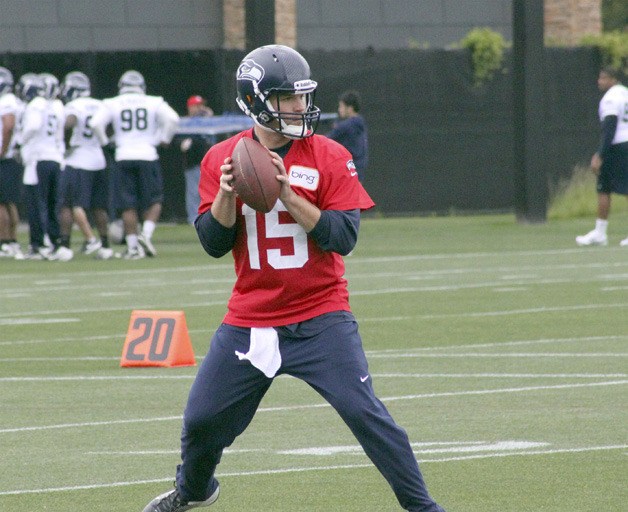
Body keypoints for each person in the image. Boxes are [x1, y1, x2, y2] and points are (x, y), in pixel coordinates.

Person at [142, 45, 446, 512]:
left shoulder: (330, 155)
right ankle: (193, 490)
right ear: (256, 100)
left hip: (321, 314)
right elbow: (213, 243)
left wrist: (286, 194)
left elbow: (343, 237)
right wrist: (227, 194)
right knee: (201, 421)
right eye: (287, 97)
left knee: (366, 415)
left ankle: (424, 508)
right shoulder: (223, 158)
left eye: (303, 96)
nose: (300, 106)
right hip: (252, 317)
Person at [90, 70, 179, 259]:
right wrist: (163, 139)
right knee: (154, 200)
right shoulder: (153, 101)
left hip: (123, 154)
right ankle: (145, 234)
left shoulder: (112, 102)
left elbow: (96, 123)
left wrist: (106, 144)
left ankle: (132, 248)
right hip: (148, 154)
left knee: (127, 204)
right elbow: (173, 119)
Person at [58, 71, 114, 260]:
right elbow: (109, 127)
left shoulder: (74, 106)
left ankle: (69, 244)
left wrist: (63, 141)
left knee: (69, 204)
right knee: (99, 207)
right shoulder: (100, 104)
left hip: (78, 159)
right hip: (98, 159)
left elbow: (69, 122)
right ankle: (105, 245)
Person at [576, 67, 628, 247]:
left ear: (613, 79)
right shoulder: (625, 93)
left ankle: (600, 233)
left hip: (618, 146)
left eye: (604, 78)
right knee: (604, 188)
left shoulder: (611, 98)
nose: (600, 81)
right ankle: (599, 233)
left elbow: (610, 127)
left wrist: (600, 154)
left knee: (610, 188)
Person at [19, 73, 66, 261]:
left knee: (36, 203)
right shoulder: (56, 106)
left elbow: (33, 126)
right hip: (55, 157)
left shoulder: (36, 105)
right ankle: (55, 242)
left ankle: (39, 245)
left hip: (38, 159)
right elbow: (60, 135)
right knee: (52, 203)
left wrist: (20, 141)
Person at [0, 66, 24, 259]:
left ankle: (4, 242)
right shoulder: (15, 100)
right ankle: (12, 241)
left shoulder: (7, 101)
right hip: (13, 156)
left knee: (2, 203)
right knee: (9, 202)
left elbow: (8, 125)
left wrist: (2, 150)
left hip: (6, 157)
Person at [179, 95, 215, 224]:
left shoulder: (205, 119)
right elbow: (181, 142)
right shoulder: (186, 122)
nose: (200, 108)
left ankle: (208, 217)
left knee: (209, 191)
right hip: (192, 162)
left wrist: (208, 114)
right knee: (193, 192)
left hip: (208, 163)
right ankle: (193, 219)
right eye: (197, 105)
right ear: (190, 107)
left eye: (201, 105)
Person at [327, 89, 368, 182]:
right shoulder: (359, 122)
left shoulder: (346, 126)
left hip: (348, 174)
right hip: (357, 174)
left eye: (341, 106)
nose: (339, 109)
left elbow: (324, 141)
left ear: (350, 108)